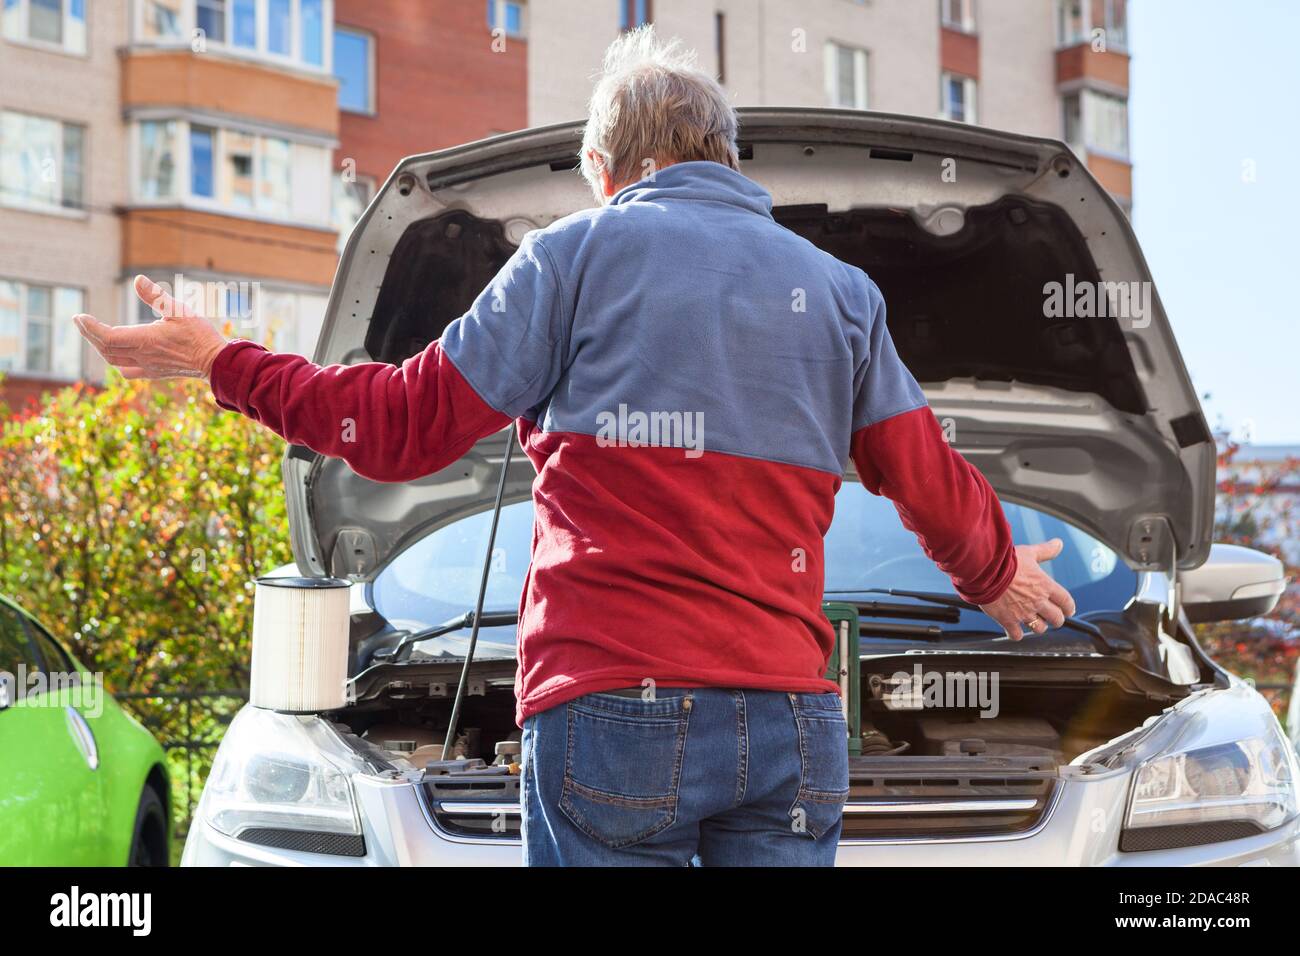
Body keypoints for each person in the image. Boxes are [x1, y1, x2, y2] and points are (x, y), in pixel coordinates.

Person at [75, 26, 1074, 867]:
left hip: (612, 712)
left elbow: (397, 426)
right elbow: (923, 470)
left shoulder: (569, 257)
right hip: (787, 722)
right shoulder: (840, 293)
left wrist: (223, 362)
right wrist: (991, 571)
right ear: (729, 161)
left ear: (602, 172)